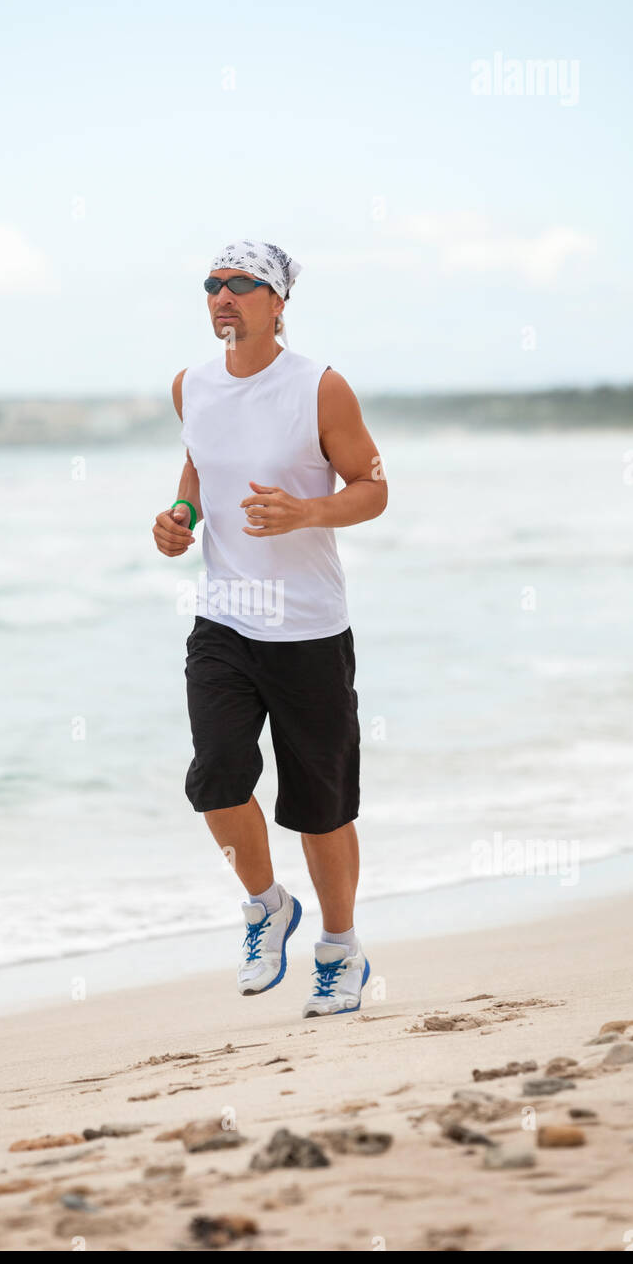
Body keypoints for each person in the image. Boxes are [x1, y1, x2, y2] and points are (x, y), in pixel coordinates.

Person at [152, 240, 387, 1017]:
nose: (224, 297)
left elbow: (372, 486)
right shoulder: (191, 385)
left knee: (322, 807)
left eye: (242, 286)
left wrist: (309, 510)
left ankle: (340, 948)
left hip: (310, 630)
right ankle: (265, 904)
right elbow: (199, 465)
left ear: (277, 301)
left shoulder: (320, 387)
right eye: (213, 285)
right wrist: (182, 516)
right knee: (217, 777)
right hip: (224, 619)